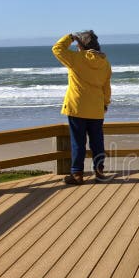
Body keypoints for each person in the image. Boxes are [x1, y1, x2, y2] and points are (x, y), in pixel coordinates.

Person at [52, 30, 111, 184]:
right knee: (97, 141)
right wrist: (105, 103)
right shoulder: (104, 62)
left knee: (78, 142)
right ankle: (99, 171)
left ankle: (77, 174)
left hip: (77, 107)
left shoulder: (76, 58)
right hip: (96, 108)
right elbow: (106, 86)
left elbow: (57, 49)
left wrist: (70, 37)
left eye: (78, 43)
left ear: (80, 45)